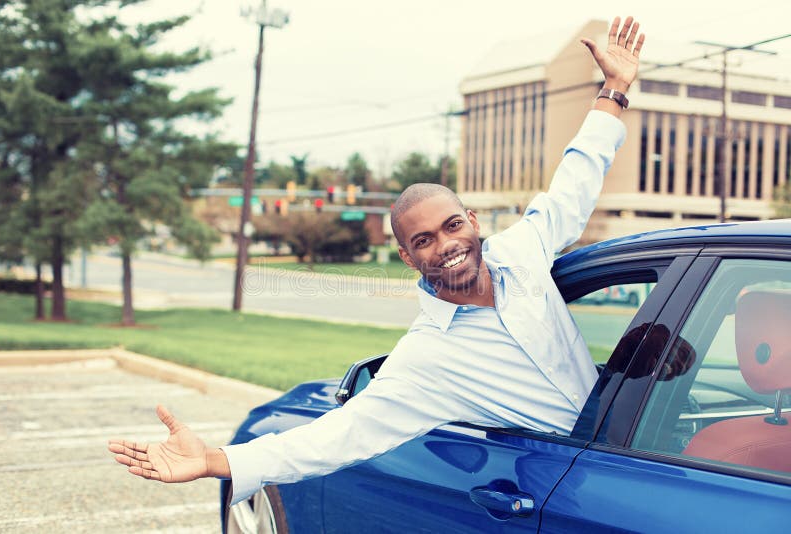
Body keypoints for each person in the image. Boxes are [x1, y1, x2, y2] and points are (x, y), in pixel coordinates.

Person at [108, 16, 646, 507]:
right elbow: (336, 436)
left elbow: (575, 180)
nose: (446, 244)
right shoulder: (425, 361)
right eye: (425, 240)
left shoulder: (522, 252)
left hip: (639, 445)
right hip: (573, 492)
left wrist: (615, 89)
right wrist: (216, 461)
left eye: (452, 225)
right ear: (407, 256)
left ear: (474, 221)